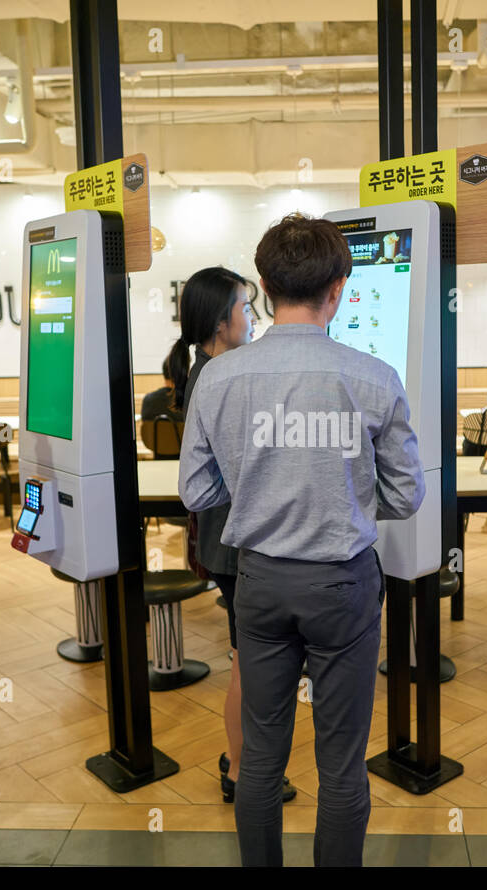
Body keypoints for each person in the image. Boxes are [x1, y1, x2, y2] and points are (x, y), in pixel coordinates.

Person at [180, 215, 424, 866]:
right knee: (342, 763)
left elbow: (196, 491)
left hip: (258, 582)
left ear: (262, 287)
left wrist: (263, 483)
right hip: (343, 584)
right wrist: (338, 490)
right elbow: (406, 495)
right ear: (339, 288)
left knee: (259, 756)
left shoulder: (218, 378)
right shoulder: (374, 377)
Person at [166, 266, 296, 806]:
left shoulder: (210, 369)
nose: (253, 317)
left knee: (249, 654)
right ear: (221, 322)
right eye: (245, 307)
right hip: (231, 539)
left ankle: (240, 761)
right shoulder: (217, 377)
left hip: (224, 537)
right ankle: (241, 770)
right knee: (248, 660)